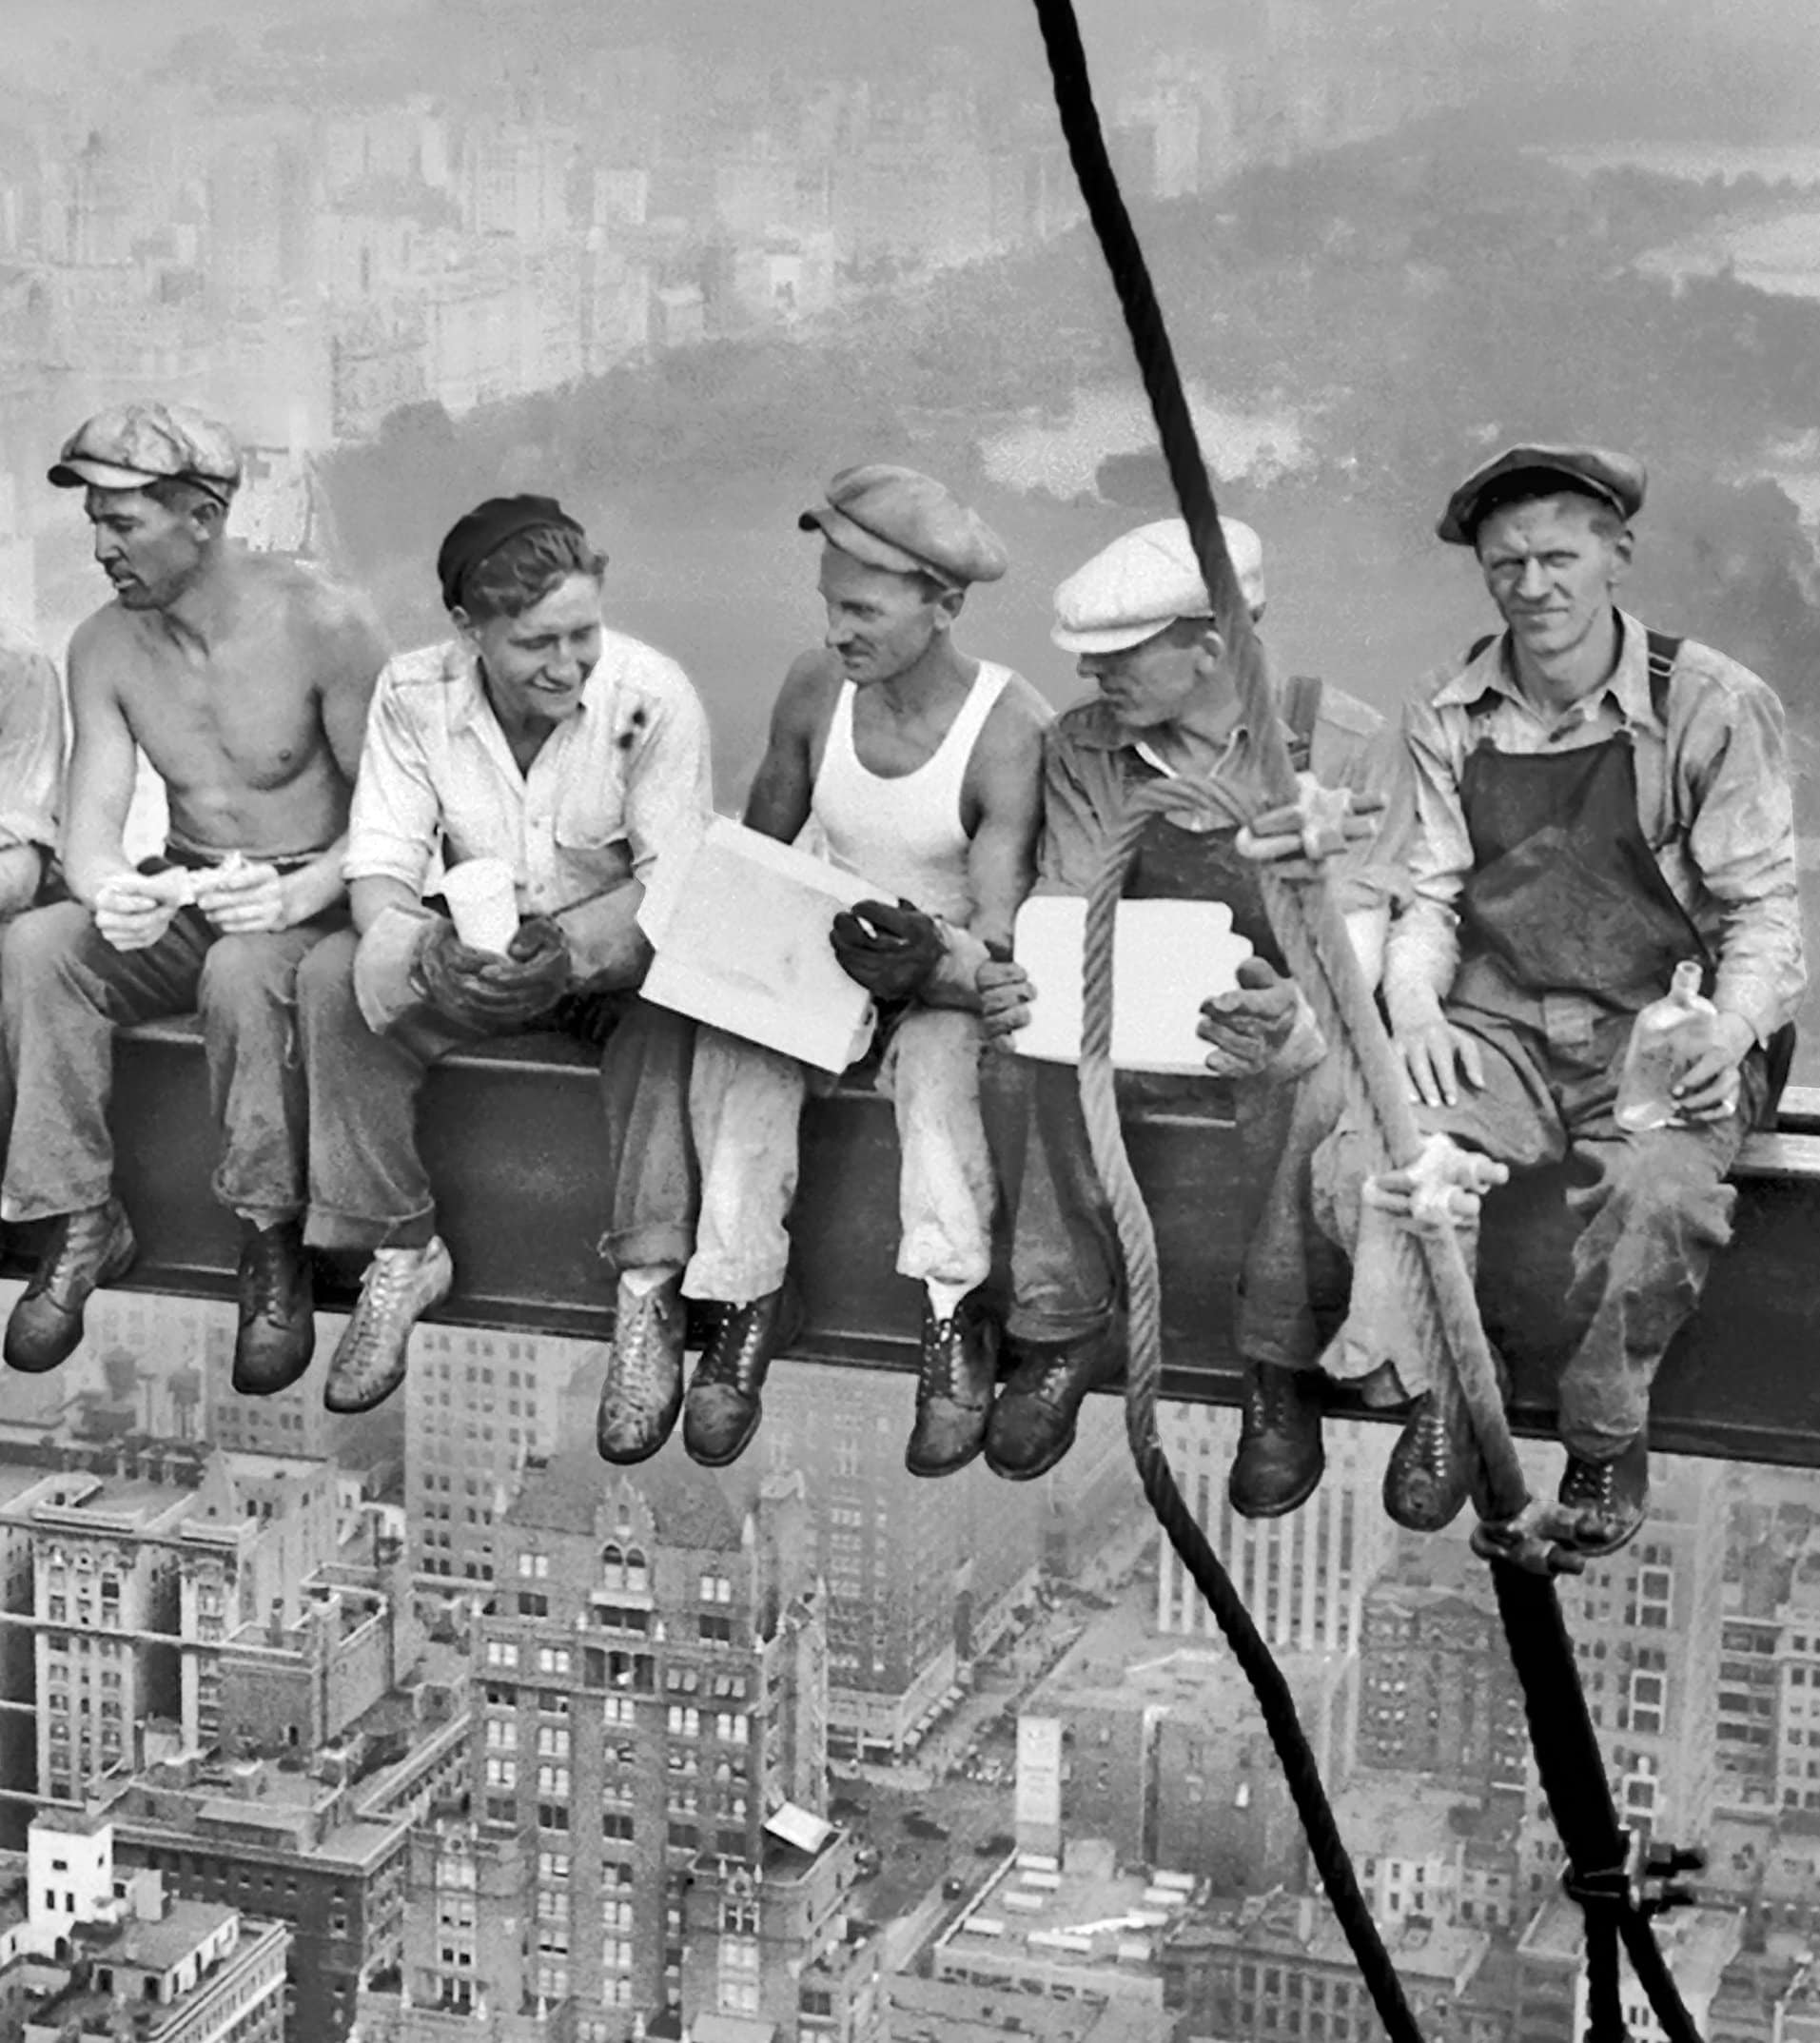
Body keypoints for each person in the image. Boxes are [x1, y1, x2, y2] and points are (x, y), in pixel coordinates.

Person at [1322, 443, 1804, 1554]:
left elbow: (1763, 912)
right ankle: (1448, 1387)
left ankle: (1602, 1431)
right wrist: (1416, 1011)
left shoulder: (1707, 704)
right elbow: (1428, 897)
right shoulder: (1446, 709)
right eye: (1505, 564)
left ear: (1614, 556)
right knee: (1377, 1160)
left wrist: (1727, 1032)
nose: (1531, 586)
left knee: (1657, 1200)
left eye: (1556, 558)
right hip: (1499, 1018)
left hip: (1662, 1024)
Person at [976, 517, 1405, 1496]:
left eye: (1118, 655)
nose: (1090, 675)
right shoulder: (1083, 746)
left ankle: (1278, 1360)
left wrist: (1290, 1018)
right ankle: (1062, 1323)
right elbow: (1071, 900)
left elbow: (1357, 938)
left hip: (1281, 1013)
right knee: (1022, 1053)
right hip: (1135, 1004)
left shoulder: (1344, 743)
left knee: (1311, 1084)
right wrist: (1037, 978)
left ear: (1211, 649)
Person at [296, 497, 710, 1461]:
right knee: (330, 977)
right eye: (535, 643)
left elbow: (673, 885)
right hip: (476, 953)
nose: (567, 664)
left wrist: (568, 951)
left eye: (582, 633)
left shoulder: (651, 697)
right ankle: (401, 1247)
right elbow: (380, 867)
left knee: (672, 1010)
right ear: (467, 628)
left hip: (610, 963)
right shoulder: (411, 695)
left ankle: (649, 1288)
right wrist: (426, 951)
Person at [1, 403, 387, 1394]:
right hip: (189, 880)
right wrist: (113, 893)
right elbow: (92, 828)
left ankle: (270, 1238)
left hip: (313, 898)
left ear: (203, 517)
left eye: (123, 523)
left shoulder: (327, 623)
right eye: (95, 521)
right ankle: (80, 1215)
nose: (101, 547)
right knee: (38, 947)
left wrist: (298, 890)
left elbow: (394, 819)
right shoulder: (103, 645)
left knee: (243, 970)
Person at [675, 464, 1049, 1476]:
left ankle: (952, 1312)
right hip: (829, 945)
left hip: (939, 970)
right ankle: (745, 1293)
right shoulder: (814, 688)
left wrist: (934, 962)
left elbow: (1001, 930)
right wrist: (735, 958)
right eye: (829, 605)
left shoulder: (1007, 729)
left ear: (944, 605)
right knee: (740, 1049)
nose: (837, 631)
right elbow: (759, 856)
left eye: (863, 612)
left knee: (937, 1075)